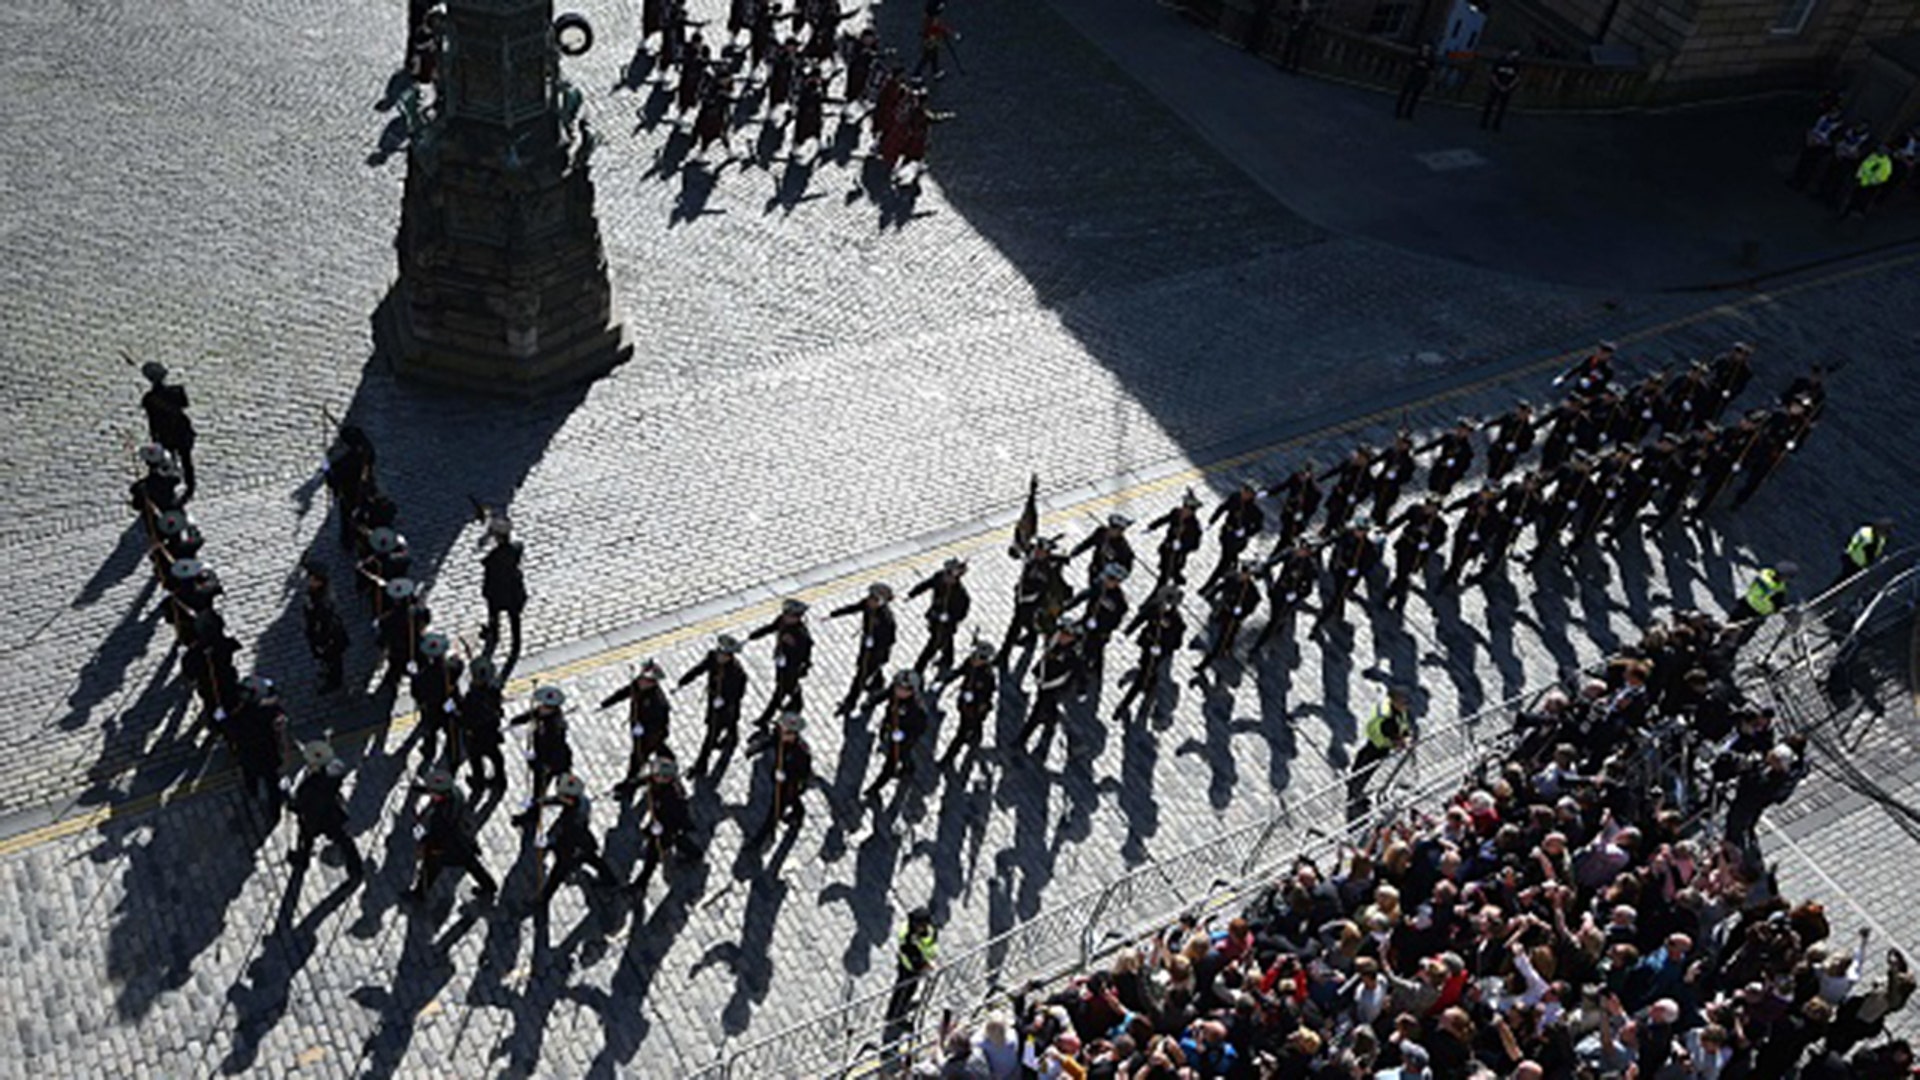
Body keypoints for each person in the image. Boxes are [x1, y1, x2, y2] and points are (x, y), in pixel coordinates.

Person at [406, 767, 498, 902]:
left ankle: (419, 894)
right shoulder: (456, 792)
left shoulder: (441, 816)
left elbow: (437, 837)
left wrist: (422, 839)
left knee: (430, 867)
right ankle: (489, 886)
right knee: (471, 863)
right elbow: (438, 792)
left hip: (449, 846)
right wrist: (422, 789)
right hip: (464, 835)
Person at [533, 774, 619, 912]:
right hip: (582, 842)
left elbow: (564, 833)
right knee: (593, 860)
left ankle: (543, 898)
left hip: (572, 847)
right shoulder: (579, 799)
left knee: (558, 873)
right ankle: (611, 880)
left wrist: (548, 841)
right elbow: (560, 800)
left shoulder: (573, 819)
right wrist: (542, 801)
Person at [287, 740, 364, 878]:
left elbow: (300, 802)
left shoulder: (309, 784)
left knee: (306, 837)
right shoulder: (334, 770)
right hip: (331, 812)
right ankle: (355, 867)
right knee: (342, 838)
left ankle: (302, 860)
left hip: (314, 816)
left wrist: (291, 801)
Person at [629, 754, 700, 906]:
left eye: (658, 775)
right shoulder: (659, 782)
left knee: (653, 856)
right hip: (665, 824)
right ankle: (694, 853)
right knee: (678, 842)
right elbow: (646, 780)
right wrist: (632, 784)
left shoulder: (672, 798)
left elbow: (669, 822)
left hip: (666, 829)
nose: (654, 776)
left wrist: (651, 831)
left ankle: (641, 884)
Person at [680, 635, 749, 780]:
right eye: (719, 653)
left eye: (723, 655)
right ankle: (733, 737)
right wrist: (685, 679)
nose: (719, 657)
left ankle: (701, 764)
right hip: (714, 701)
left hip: (727, 706)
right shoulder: (712, 658)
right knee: (728, 725)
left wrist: (724, 700)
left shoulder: (737, 672)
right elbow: (701, 668)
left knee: (711, 735)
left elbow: (738, 694)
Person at [1114, 587, 1186, 722]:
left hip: (1159, 653)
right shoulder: (1155, 607)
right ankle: (1137, 694)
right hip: (1147, 645)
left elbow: (1176, 643)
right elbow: (1141, 618)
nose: (1166, 605)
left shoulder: (1177, 621)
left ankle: (1132, 701)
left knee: (1146, 676)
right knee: (1144, 671)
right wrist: (1127, 632)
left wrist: (1163, 648)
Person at [605, 660, 674, 796]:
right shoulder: (638, 684)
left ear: (654, 683)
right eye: (642, 678)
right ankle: (669, 760)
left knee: (638, 757)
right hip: (639, 728)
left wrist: (643, 731)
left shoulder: (659, 703)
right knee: (659, 750)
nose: (641, 682)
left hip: (650, 735)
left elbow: (659, 725)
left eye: (646, 680)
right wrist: (608, 702)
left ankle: (630, 783)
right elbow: (626, 691)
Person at [508, 686, 573, 825]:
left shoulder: (554, 727)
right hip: (548, 758)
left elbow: (550, 752)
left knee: (542, 791)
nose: (540, 708)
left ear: (552, 708)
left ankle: (534, 815)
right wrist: (518, 720)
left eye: (544, 706)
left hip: (553, 762)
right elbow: (533, 714)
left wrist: (534, 761)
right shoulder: (545, 713)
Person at [748, 710, 814, 845]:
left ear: (793, 735)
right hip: (779, 777)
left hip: (790, 784)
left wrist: (786, 777)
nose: (781, 734)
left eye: (785, 733)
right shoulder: (780, 738)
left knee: (775, 811)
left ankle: (758, 840)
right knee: (794, 800)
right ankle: (799, 813)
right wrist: (755, 748)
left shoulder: (801, 752)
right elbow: (770, 741)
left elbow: (804, 774)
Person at [1347, 687, 1413, 820]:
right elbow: (1390, 737)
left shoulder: (1395, 710)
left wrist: (1406, 734)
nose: (1407, 705)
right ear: (1395, 701)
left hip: (1374, 744)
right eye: (1404, 702)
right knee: (1365, 770)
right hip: (1378, 748)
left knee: (1361, 763)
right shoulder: (1388, 720)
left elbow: (1403, 725)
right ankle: (1354, 796)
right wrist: (1400, 743)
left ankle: (1353, 787)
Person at [864, 670, 929, 803]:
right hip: (890, 728)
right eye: (898, 688)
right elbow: (884, 695)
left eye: (904, 690)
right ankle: (909, 767)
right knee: (905, 756)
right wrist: (870, 702)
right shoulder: (894, 693)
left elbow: (920, 728)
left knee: (891, 762)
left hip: (903, 739)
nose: (899, 692)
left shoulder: (917, 709)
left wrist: (905, 736)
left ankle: (876, 787)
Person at [832, 583, 898, 714]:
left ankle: (850, 702)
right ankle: (877, 684)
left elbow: (890, 640)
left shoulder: (887, 618)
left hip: (877, 652)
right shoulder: (867, 604)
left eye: (874, 599)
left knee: (860, 677)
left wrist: (876, 644)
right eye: (870, 597)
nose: (870, 601)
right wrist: (835, 613)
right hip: (866, 647)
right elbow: (855, 607)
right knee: (866, 670)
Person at [749, 600, 813, 731]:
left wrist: (802, 665)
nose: (785, 617)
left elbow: (806, 651)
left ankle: (765, 718)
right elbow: (772, 627)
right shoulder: (782, 621)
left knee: (780, 691)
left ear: (797, 618)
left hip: (792, 667)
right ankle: (796, 702)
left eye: (789, 616)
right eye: (785, 614)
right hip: (781, 662)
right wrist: (756, 634)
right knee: (788, 688)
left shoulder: (801, 634)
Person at [1193, 559, 1262, 679]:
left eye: (1246, 574)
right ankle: (1225, 649)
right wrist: (1211, 595)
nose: (1243, 576)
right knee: (1220, 634)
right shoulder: (1232, 578)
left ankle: (1206, 663)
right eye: (1243, 573)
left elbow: (1253, 603)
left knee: (1223, 639)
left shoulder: (1251, 591)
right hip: (1224, 611)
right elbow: (1221, 586)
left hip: (1233, 619)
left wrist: (1242, 613)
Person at [138, 360, 197, 500]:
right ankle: (190, 485)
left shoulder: (149, 399)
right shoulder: (177, 391)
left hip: (165, 434)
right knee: (186, 460)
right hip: (182, 431)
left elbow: (152, 421)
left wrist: (154, 438)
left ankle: (167, 488)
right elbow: (184, 406)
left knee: (166, 461)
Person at [936, 639, 998, 769]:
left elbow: (988, 694)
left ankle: (948, 758)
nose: (976, 659)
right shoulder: (970, 662)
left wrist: (981, 707)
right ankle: (976, 735)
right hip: (964, 703)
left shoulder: (987, 676)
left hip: (975, 708)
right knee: (973, 726)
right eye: (975, 655)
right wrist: (945, 681)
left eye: (980, 657)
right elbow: (960, 672)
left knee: (962, 733)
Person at [478, 512, 527, 672]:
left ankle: (494, 635)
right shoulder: (516, 548)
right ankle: (516, 642)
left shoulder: (493, 557)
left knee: (494, 615)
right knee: (514, 618)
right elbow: (518, 543)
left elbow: (485, 563)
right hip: (513, 590)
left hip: (497, 592)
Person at [908, 559, 971, 676]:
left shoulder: (961, 594)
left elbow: (963, 612)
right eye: (946, 573)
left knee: (932, 645)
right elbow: (927, 584)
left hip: (947, 624)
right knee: (947, 640)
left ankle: (918, 669)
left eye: (949, 575)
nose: (946, 577)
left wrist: (951, 618)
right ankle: (948, 659)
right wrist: (913, 593)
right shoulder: (939, 578)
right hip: (935, 617)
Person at [1202, 481, 1265, 595]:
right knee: (1228, 559)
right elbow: (1223, 508)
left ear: (1252, 495)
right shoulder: (1235, 497)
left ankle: (1209, 586)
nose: (1244, 493)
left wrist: (1246, 532)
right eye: (1244, 490)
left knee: (1223, 562)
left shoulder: (1256, 511)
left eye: (1247, 492)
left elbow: (1258, 527)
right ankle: (1233, 566)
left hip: (1237, 540)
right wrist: (1212, 521)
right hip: (1226, 533)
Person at [460, 657, 509, 797]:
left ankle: (479, 782)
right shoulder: (493, 690)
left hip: (476, 735)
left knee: (476, 760)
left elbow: (465, 719)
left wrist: (454, 711)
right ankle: (500, 779)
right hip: (491, 731)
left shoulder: (471, 697)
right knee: (495, 756)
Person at [886, 907, 940, 1030]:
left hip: (921, 966)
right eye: (920, 925)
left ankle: (904, 1006)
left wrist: (930, 959)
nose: (923, 927)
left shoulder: (929, 929)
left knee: (912, 988)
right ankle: (895, 1016)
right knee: (902, 991)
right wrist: (924, 964)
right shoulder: (906, 935)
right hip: (908, 968)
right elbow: (911, 954)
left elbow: (931, 941)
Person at [301, 561, 348, 693]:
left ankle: (334, 681)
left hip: (330, 638)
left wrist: (322, 642)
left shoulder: (324, 602)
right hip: (320, 633)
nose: (309, 581)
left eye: (312, 579)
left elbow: (327, 625)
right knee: (326, 659)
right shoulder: (314, 593)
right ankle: (328, 672)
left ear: (320, 582)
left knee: (333, 660)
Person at [1791, 104, 1845, 190]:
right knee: (1803, 161)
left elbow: (1834, 140)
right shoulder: (1822, 118)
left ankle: (1802, 184)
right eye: (1832, 111)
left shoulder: (1838, 125)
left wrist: (1821, 142)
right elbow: (1812, 126)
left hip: (1821, 147)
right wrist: (1810, 136)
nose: (1832, 113)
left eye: (1835, 112)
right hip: (1811, 141)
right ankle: (1795, 179)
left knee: (1811, 166)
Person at [1832, 519, 1893, 587]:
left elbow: (1877, 551)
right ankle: (1832, 589)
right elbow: (1855, 541)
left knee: (1850, 580)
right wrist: (1848, 551)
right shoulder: (1865, 532)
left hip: (1862, 564)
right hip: (1852, 559)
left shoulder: (1882, 539)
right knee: (1843, 577)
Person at [1731, 562, 1796, 622]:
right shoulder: (1777, 588)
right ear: (1784, 577)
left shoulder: (1764, 573)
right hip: (1759, 611)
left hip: (1746, 601)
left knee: (1732, 621)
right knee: (1746, 630)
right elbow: (1778, 603)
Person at [1843, 143, 1894, 218]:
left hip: (1872, 185)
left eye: (1884, 150)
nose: (1881, 151)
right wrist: (1859, 175)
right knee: (1855, 195)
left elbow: (1884, 175)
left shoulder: (1886, 163)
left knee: (1866, 198)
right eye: (1880, 149)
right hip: (1863, 180)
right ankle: (1850, 208)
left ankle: (1859, 211)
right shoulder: (1872, 156)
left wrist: (1873, 182)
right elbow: (1863, 165)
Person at [914, 1, 957, 80]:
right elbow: (937, 28)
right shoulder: (931, 20)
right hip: (930, 39)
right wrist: (951, 34)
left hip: (932, 39)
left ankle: (935, 71)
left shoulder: (929, 18)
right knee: (927, 57)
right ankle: (916, 74)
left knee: (934, 55)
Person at [1481, 50, 1520, 131]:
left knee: (1501, 108)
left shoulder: (1516, 64)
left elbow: (1517, 77)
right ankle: (1484, 122)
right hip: (1496, 86)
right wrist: (1498, 85)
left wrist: (1509, 87)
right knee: (1490, 104)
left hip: (1507, 87)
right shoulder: (1500, 61)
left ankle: (1496, 124)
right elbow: (1493, 74)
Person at [1394, 45, 1435, 120]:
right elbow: (1410, 63)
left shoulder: (1431, 58)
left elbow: (1432, 69)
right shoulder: (1416, 55)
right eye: (1424, 48)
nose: (1425, 49)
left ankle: (1409, 113)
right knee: (1404, 94)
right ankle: (1398, 111)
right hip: (1412, 76)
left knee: (1414, 97)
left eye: (1427, 48)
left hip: (1421, 78)